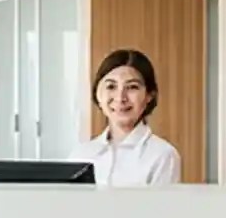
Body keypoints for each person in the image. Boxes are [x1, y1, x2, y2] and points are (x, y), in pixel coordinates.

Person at [71, 49, 180, 186]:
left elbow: (163, 207)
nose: (120, 97)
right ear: (98, 95)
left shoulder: (162, 155)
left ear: (149, 96)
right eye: (111, 86)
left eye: (132, 87)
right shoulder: (81, 154)